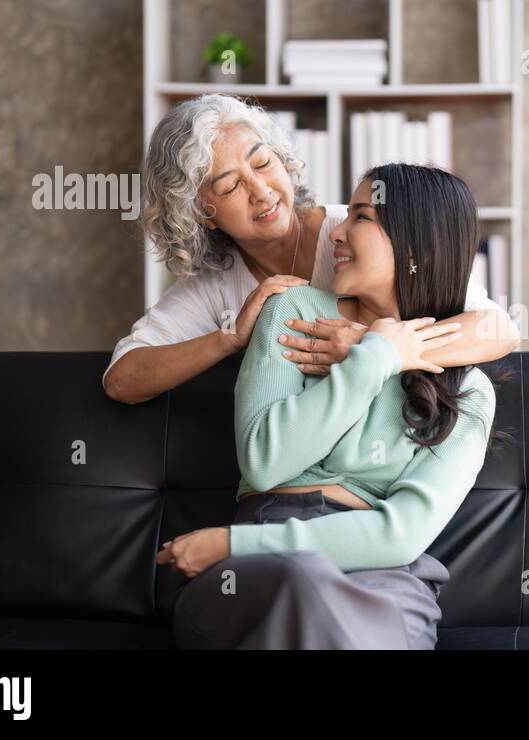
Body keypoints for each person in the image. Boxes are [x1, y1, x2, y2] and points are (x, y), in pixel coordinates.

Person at [157, 163, 496, 650]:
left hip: (382, 574)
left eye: (360, 217)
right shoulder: (294, 312)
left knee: (341, 612)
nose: (336, 231)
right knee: (300, 586)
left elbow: (400, 535)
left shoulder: (469, 389)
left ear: (416, 246)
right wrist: (373, 361)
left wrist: (230, 544)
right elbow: (266, 462)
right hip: (270, 557)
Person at [102, 93, 519, 404]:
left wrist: (371, 347)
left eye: (263, 163)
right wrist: (230, 337)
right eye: (229, 186)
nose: (262, 191)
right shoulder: (216, 283)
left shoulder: (354, 230)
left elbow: (498, 329)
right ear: (201, 212)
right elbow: (121, 380)